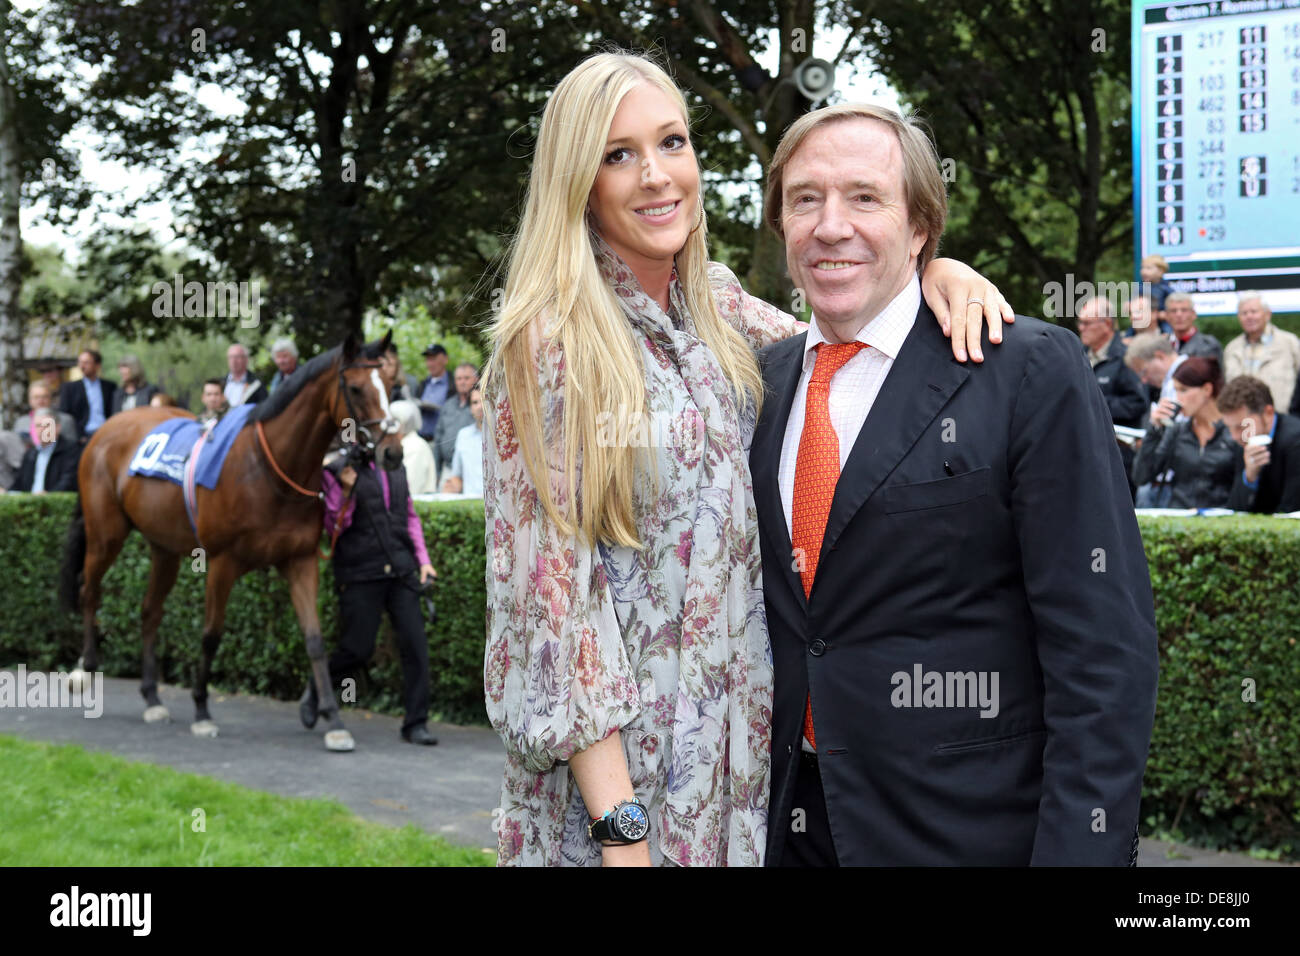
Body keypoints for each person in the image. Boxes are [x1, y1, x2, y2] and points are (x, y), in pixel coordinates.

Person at [481, 52, 1012, 868]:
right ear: (576, 181)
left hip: (742, 782)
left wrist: (934, 264)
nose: (657, 176)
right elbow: (552, 612)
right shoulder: (549, 345)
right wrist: (623, 837)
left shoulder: (720, 313)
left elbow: (855, 327)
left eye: (672, 142)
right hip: (621, 801)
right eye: (618, 155)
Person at [751, 103, 1157, 866]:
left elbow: (1105, 655)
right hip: (788, 832)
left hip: (971, 835)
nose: (831, 224)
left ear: (918, 229)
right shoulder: (755, 386)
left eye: (865, 197)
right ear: (781, 225)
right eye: (806, 198)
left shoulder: (1025, 370)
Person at [300, 451, 439, 745]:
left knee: (416, 647)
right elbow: (334, 526)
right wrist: (347, 490)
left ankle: (415, 724)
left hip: (401, 571)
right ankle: (318, 685)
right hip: (360, 572)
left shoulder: (396, 464)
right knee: (357, 651)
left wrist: (423, 561)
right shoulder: (338, 470)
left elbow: (409, 516)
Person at [1132, 357, 1240, 509]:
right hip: (1180, 519)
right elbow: (1141, 476)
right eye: (1175, 390)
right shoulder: (1178, 431)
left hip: (1221, 521)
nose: (1177, 398)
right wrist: (1155, 429)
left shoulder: (1234, 432)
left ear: (1207, 390)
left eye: (1183, 390)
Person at [1219, 376, 1300, 514]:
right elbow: (1233, 512)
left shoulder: (1295, 441)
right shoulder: (1245, 441)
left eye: (1241, 427)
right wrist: (1250, 476)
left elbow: (1291, 511)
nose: (1234, 436)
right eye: (1229, 428)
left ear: (1268, 413)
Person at [1223, 293, 1300, 415]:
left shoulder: (1289, 343)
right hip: (1244, 423)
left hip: (1283, 420)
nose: (1249, 316)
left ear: (1267, 314)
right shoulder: (1232, 348)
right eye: (1244, 313)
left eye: (1254, 311)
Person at [11, 411, 81, 493]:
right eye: (38, 426)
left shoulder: (71, 450)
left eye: (46, 425)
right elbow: (19, 483)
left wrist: (48, 495)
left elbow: (68, 482)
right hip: (29, 502)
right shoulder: (30, 453)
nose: (41, 429)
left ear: (57, 427)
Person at [58, 349, 117, 446]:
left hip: (106, 435)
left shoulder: (110, 387)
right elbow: (65, 415)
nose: (82, 366)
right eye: (80, 362)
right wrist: (79, 436)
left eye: (86, 362)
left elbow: (114, 411)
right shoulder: (69, 388)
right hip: (82, 439)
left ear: (97, 365)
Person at [431, 363, 478, 483]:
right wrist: (436, 471)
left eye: (467, 378)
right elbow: (438, 438)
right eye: (459, 378)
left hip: (472, 470)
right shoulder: (448, 405)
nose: (462, 382)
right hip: (448, 469)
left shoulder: (480, 406)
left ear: (476, 379)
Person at [442, 385, 483, 496]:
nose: (480, 406)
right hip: (470, 504)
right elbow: (457, 475)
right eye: (475, 402)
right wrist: (450, 488)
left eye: (484, 400)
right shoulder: (463, 435)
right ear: (470, 408)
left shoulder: (503, 435)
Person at [389, 399, 438, 495]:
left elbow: (410, 487)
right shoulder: (399, 443)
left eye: (394, 421)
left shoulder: (416, 446)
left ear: (404, 423)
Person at [15, 381, 78, 448]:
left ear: (51, 399)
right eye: (36, 397)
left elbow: (72, 448)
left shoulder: (65, 420)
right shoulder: (21, 422)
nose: (40, 401)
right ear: (29, 400)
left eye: (44, 397)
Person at [1165, 293, 1223, 365]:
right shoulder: (1161, 345)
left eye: (1184, 310)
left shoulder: (1209, 345)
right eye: (1173, 311)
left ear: (1193, 314)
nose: (1179, 315)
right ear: (1167, 316)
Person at [415, 344, 453, 441]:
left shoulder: (453, 385)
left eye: (434, 359)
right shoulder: (423, 384)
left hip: (441, 441)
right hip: (420, 439)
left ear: (445, 359)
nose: (430, 364)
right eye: (428, 359)